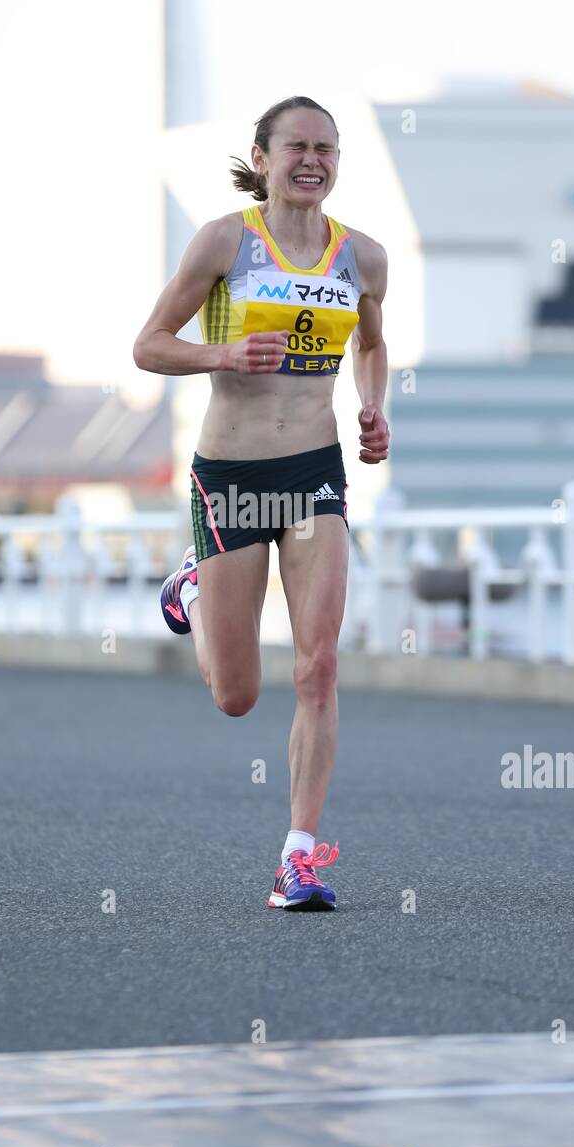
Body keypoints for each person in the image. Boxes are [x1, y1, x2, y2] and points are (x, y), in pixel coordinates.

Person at [133, 95, 389, 910]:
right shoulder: (224, 242)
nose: (312, 161)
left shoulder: (363, 258)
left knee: (318, 665)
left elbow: (373, 347)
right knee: (236, 695)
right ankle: (194, 589)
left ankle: (299, 857)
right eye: (297, 147)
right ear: (264, 156)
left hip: (315, 471)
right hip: (233, 476)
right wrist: (224, 352)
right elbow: (147, 346)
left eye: (326, 148)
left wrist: (373, 407)